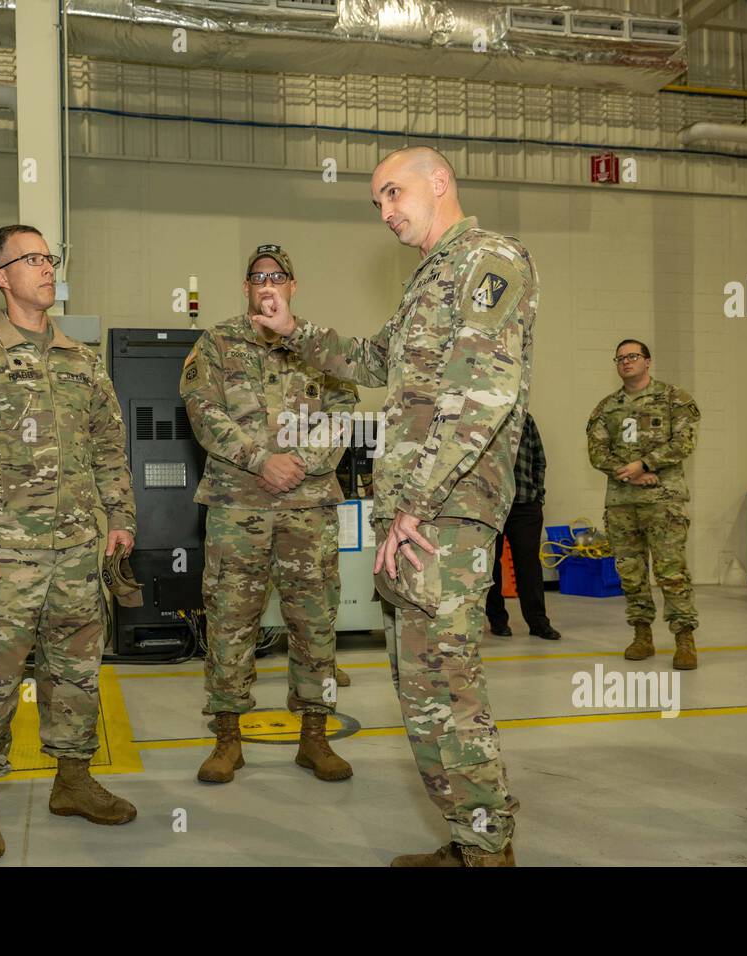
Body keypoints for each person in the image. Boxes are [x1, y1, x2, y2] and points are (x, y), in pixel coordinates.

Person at [254, 146, 534, 867]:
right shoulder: (428, 278)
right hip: (412, 512)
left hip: (444, 511)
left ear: (439, 183)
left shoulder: (489, 261)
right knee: (421, 688)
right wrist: (294, 331)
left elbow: (484, 394)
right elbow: (376, 361)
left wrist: (415, 500)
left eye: (393, 192)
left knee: (449, 681)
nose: (385, 211)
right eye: (376, 201)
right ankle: (470, 838)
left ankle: (490, 850)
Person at [0, 225, 138, 861]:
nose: (45, 268)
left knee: (77, 671)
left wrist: (121, 517)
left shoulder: (82, 358)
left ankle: (73, 781)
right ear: (0, 276)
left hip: (79, 547)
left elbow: (110, 446)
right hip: (5, 551)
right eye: (29, 260)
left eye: (49, 258)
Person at [181, 244, 358, 784]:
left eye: (277, 275)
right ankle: (228, 738)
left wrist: (299, 463)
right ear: (245, 287)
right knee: (231, 620)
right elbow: (201, 410)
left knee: (315, 621)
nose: (267, 284)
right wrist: (260, 460)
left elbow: (346, 411)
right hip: (238, 506)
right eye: (257, 276)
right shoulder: (216, 342)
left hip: (308, 507)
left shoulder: (317, 345)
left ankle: (314, 737)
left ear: (292, 285)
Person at [586, 340, 701, 669]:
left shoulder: (674, 398)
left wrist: (646, 464)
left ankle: (684, 639)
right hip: (622, 503)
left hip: (664, 501)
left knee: (671, 571)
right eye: (620, 358)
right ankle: (642, 635)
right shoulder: (606, 407)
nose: (626, 362)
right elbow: (597, 452)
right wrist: (631, 475)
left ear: (648, 361)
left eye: (632, 356)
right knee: (631, 573)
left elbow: (684, 441)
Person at [486, 413, 559, 641]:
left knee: (529, 566)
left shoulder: (526, 419)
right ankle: (497, 621)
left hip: (526, 503)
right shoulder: (482, 416)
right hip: (490, 505)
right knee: (490, 566)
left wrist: (538, 495)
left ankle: (538, 622)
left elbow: (539, 459)